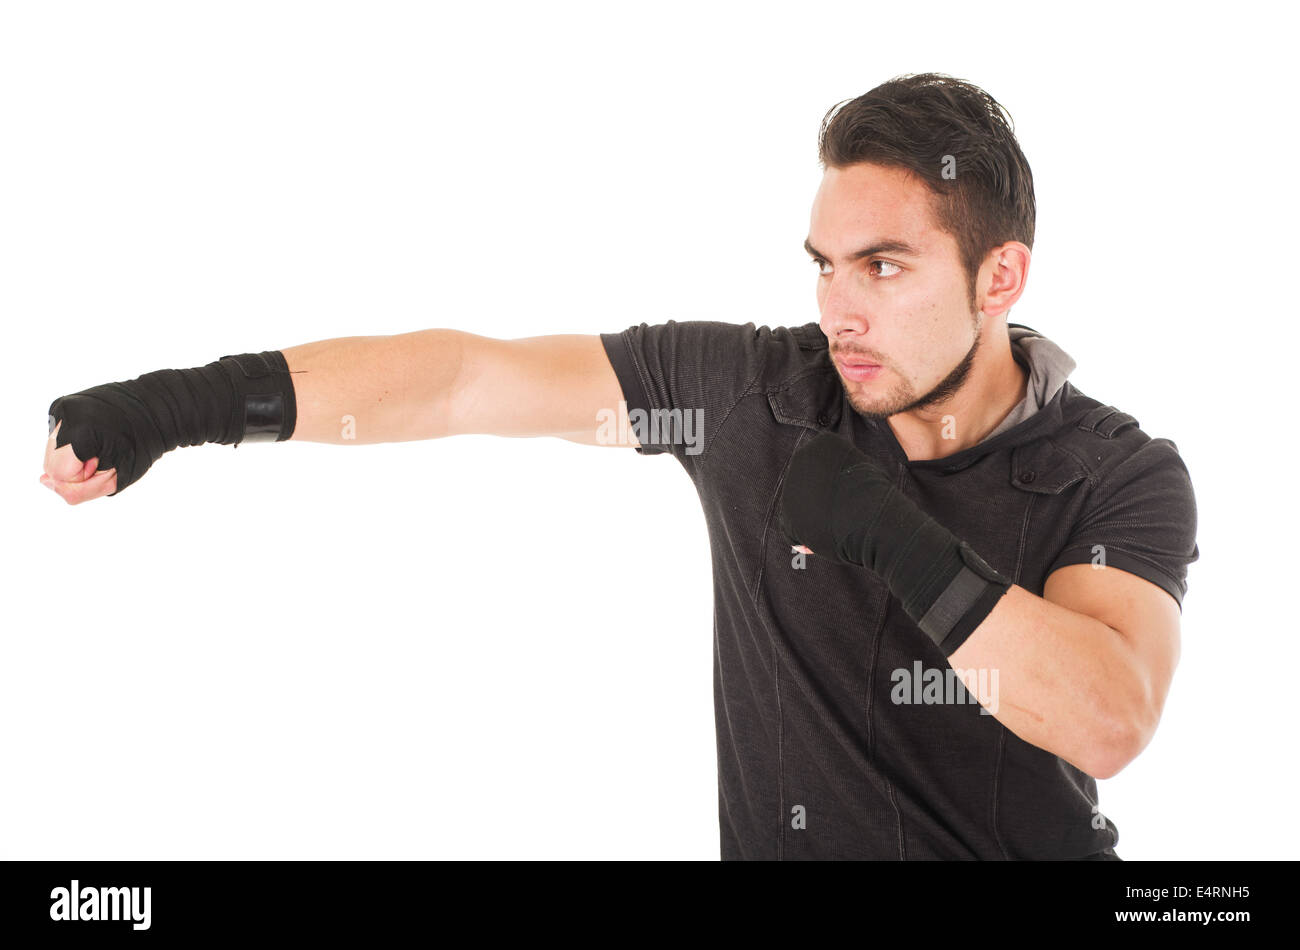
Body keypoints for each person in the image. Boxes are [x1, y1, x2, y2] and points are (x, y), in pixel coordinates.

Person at [40, 72, 1198, 860]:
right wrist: (185, 405)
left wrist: (892, 531)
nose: (838, 308)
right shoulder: (752, 394)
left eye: (884, 268)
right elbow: (463, 376)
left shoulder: (1116, 471)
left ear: (1000, 279)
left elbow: (1105, 719)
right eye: (823, 265)